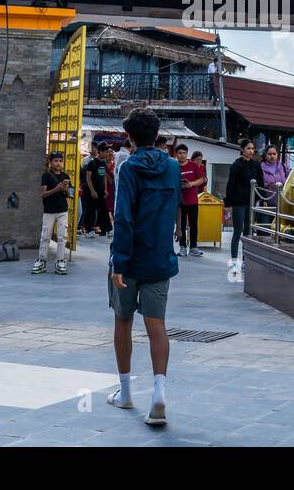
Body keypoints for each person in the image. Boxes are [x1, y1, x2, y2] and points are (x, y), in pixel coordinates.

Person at [107, 109, 179, 427]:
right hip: (160, 257)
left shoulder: (128, 167)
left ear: (131, 138)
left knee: (123, 321)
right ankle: (159, 391)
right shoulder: (174, 167)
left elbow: (123, 216)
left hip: (130, 258)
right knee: (156, 326)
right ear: (157, 133)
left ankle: (125, 393)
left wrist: (119, 261)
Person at [224, 139, 265, 266]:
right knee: (238, 232)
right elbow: (230, 184)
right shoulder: (236, 165)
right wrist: (228, 203)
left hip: (251, 202)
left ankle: (245, 260)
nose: (251, 151)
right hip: (238, 202)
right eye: (248, 148)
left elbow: (260, 184)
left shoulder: (256, 165)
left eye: (253, 148)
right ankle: (234, 260)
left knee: (248, 232)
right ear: (242, 149)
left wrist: (261, 198)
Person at [36, 151, 73, 275]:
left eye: (60, 161)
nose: (58, 163)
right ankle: (41, 260)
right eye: (56, 161)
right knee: (45, 236)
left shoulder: (66, 176)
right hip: (49, 211)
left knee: (62, 237)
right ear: (50, 163)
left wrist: (66, 190)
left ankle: (60, 261)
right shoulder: (46, 176)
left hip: (62, 210)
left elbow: (70, 195)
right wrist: (56, 189)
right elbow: (43, 194)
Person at [176, 144, 206, 257]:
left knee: (193, 224)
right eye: (180, 153)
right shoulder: (174, 166)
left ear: (187, 154)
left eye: (184, 153)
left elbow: (201, 179)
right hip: (179, 201)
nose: (182, 155)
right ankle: (182, 247)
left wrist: (190, 184)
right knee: (181, 225)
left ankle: (193, 247)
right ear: (176, 154)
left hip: (192, 200)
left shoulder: (193, 165)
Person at [81, 142, 111, 236]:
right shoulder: (92, 163)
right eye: (106, 151)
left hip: (100, 191)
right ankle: (88, 230)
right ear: (100, 152)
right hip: (91, 192)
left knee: (104, 210)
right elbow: (88, 178)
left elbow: (104, 177)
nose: (107, 153)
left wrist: (105, 189)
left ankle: (106, 229)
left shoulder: (103, 163)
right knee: (90, 211)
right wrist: (92, 191)